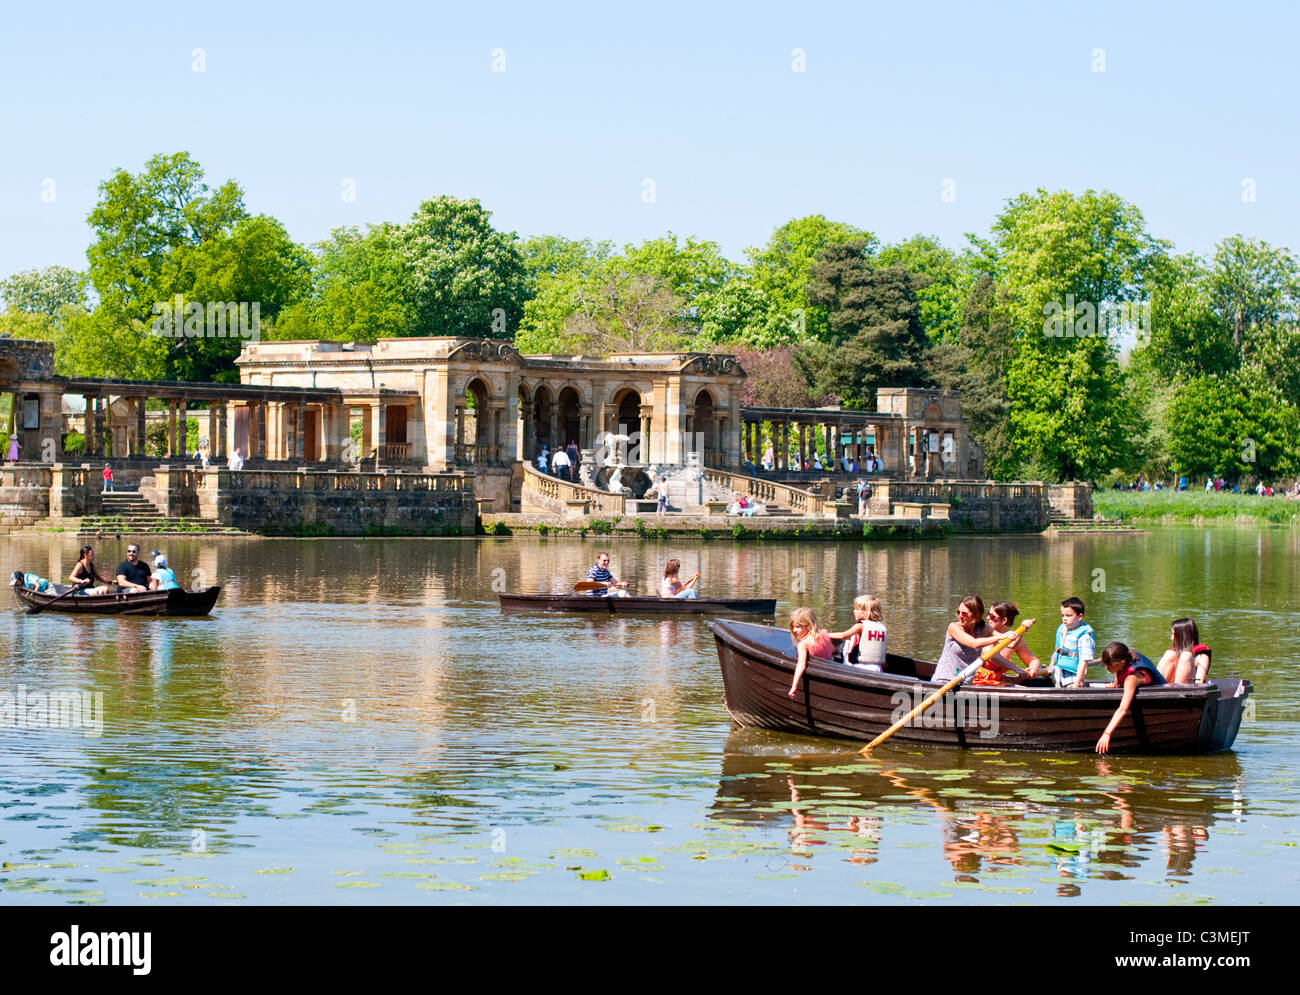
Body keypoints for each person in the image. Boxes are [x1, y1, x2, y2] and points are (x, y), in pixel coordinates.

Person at [1095, 641, 1166, 754]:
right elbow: (1120, 671)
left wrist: (1107, 733)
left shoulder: (1131, 679)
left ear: (1121, 662)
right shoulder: (1127, 657)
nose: (1105, 666)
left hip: (1163, 701)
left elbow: (1123, 709)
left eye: (1108, 664)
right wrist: (1117, 682)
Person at [931, 595, 1016, 684]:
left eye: (964, 613)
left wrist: (1023, 629)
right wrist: (999, 637)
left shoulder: (983, 629)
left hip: (965, 684)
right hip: (944, 681)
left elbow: (1011, 644)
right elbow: (974, 643)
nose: (960, 616)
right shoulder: (953, 627)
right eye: (958, 612)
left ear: (976, 615)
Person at [972, 601, 1040, 686]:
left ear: (1004, 620)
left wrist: (1033, 669)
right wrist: (1017, 669)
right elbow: (994, 657)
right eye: (988, 614)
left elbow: (1033, 660)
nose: (988, 618)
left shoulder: (1015, 640)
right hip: (977, 681)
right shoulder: (985, 631)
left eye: (992, 616)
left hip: (998, 682)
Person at [829, 594, 887, 671]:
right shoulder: (882, 627)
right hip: (877, 667)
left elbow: (842, 636)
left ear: (866, 612)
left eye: (857, 609)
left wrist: (823, 634)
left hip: (862, 666)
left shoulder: (860, 626)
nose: (854, 611)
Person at [1049, 597, 1095, 688]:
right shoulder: (1063, 629)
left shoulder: (1084, 636)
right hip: (1059, 673)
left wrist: (1076, 685)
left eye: (1069, 615)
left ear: (1080, 616)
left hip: (1073, 677)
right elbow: (1058, 651)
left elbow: (1083, 661)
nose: (1064, 619)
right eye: (1063, 615)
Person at [787, 608, 834, 697]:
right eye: (793, 626)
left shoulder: (803, 644)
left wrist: (794, 685)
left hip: (817, 674)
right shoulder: (824, 633)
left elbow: (801, 665)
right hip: (830, 668)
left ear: (809, 626)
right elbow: (832, 649)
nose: (794, 630)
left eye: (798, 627)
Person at [1153, 618, 1208, 685]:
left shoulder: (1202, 655)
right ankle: (1154, 689)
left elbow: (1199, 683)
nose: (1171, 638)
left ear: (1182, 636)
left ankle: (1178, 690)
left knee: (1186, 656)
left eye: (1173, 634)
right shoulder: (1173, 653)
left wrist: (1194, 663)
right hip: (1168, 686)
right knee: (1170, 654)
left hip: (1188, 689)